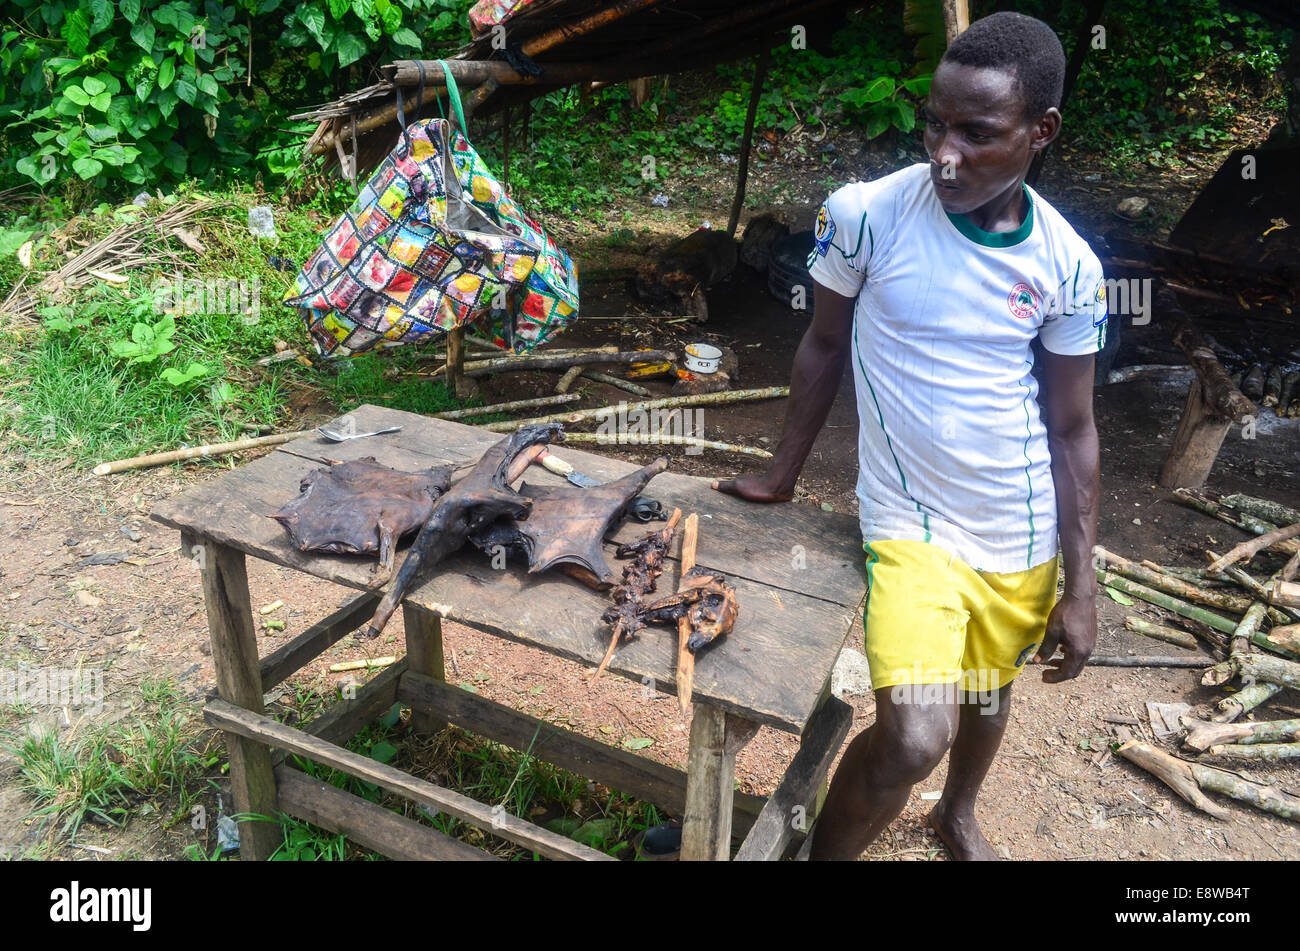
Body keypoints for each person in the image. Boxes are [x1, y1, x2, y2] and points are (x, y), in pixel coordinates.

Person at [713, 11, 1106, 861]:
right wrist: (780, 472)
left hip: (1021, 525)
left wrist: (1083, 583)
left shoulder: (1069, 265)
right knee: (916, 733)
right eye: (935, 123)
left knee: (989, 693)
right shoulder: (867, 216)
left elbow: (1073, 427)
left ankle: (955, 812)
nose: (944, 153)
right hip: (912, 523)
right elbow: (823, 342)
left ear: (1042, 131)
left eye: (976, 132)